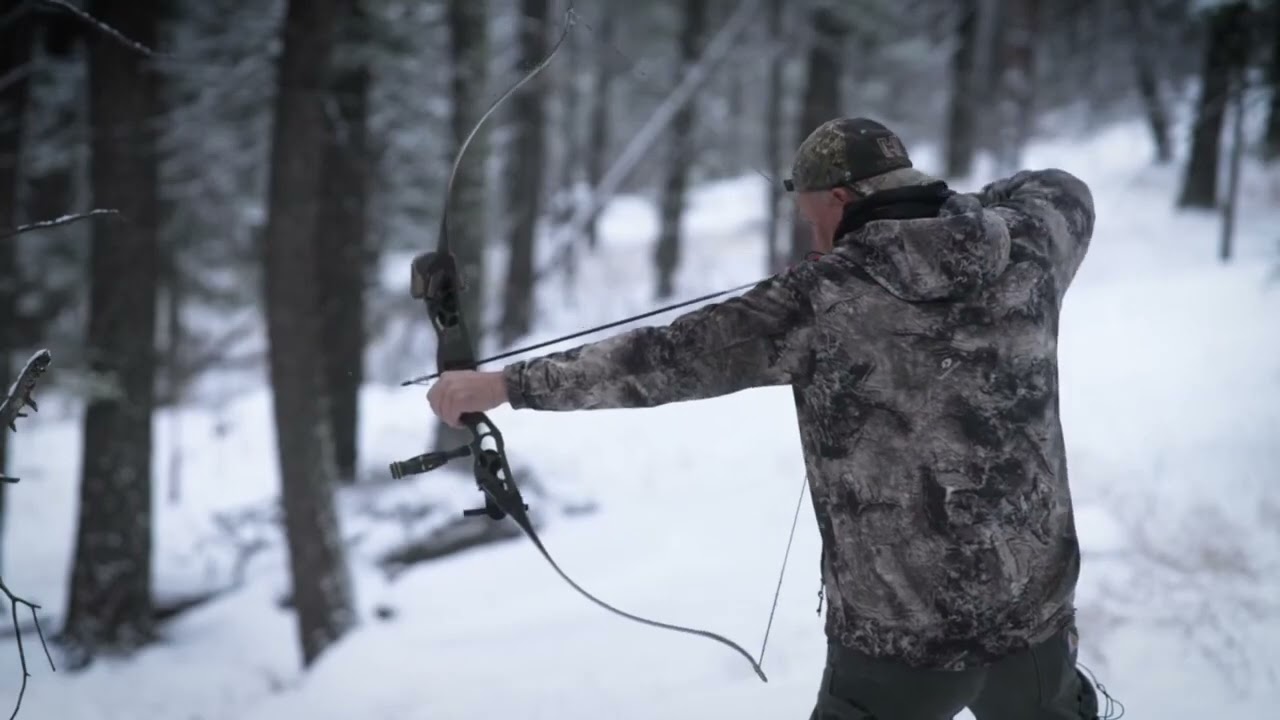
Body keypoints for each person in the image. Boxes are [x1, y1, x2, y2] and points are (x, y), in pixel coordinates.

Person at [425, 117, 1103, 720]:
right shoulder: (1029, 244)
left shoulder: (823, 298)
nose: (815, 234)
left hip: (903, 639)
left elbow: (661, 358)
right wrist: (948, 213)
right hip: (1031, 611)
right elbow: (1062, 185)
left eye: (816, 217)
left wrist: (506, 384)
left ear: (841, 200)